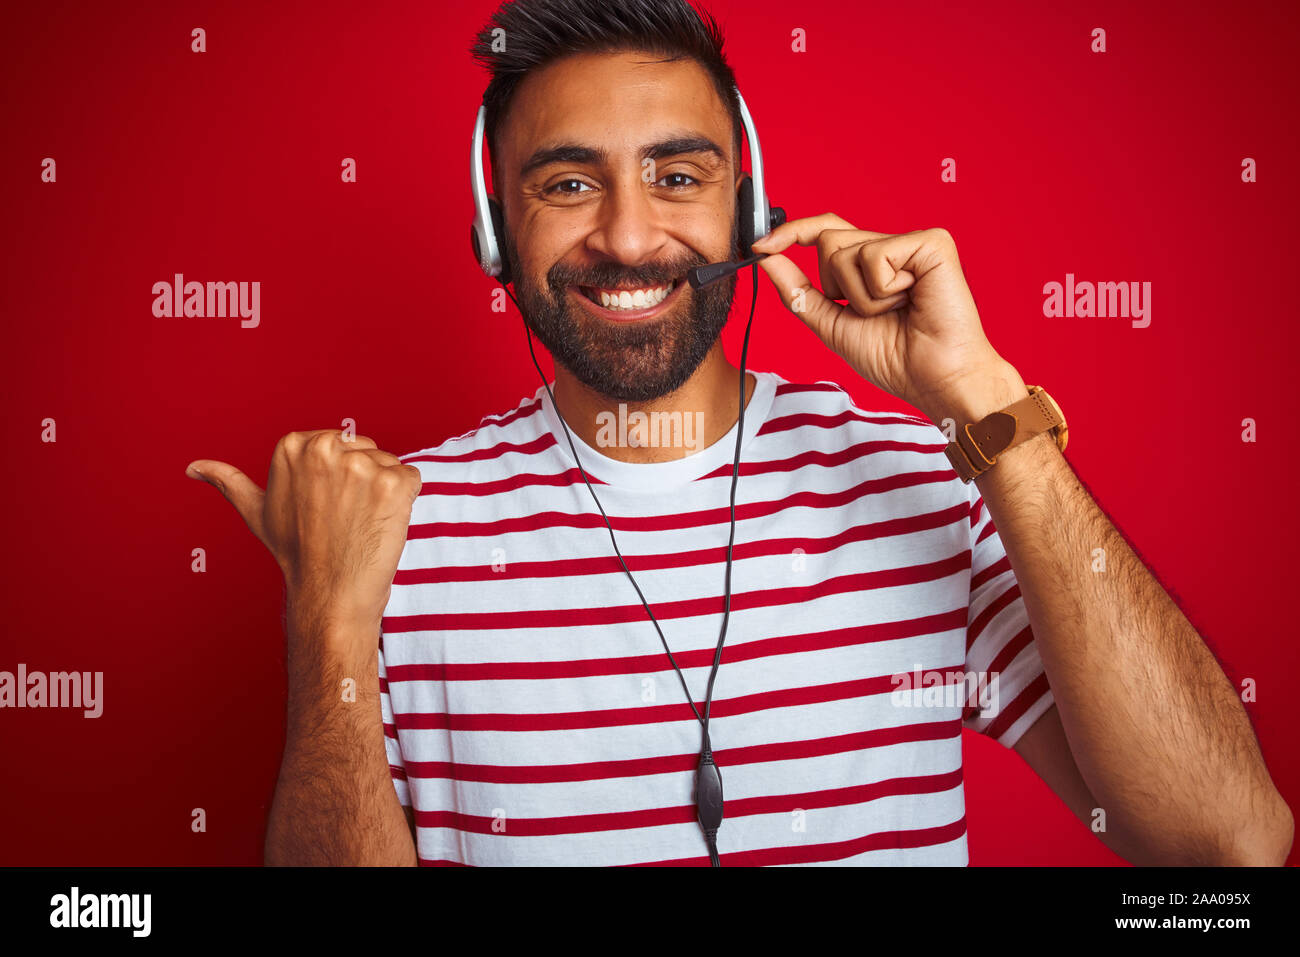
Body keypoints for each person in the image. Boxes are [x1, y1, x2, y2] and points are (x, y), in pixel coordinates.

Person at [186, 0, 1292, 866]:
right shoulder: (389, 533)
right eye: (567, 183)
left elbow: (1225, 844)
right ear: (494, 235)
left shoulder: (924, 475)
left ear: (748, 211)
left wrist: (988, 408)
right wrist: (330, 618)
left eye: (677, 175)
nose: (628, 236)